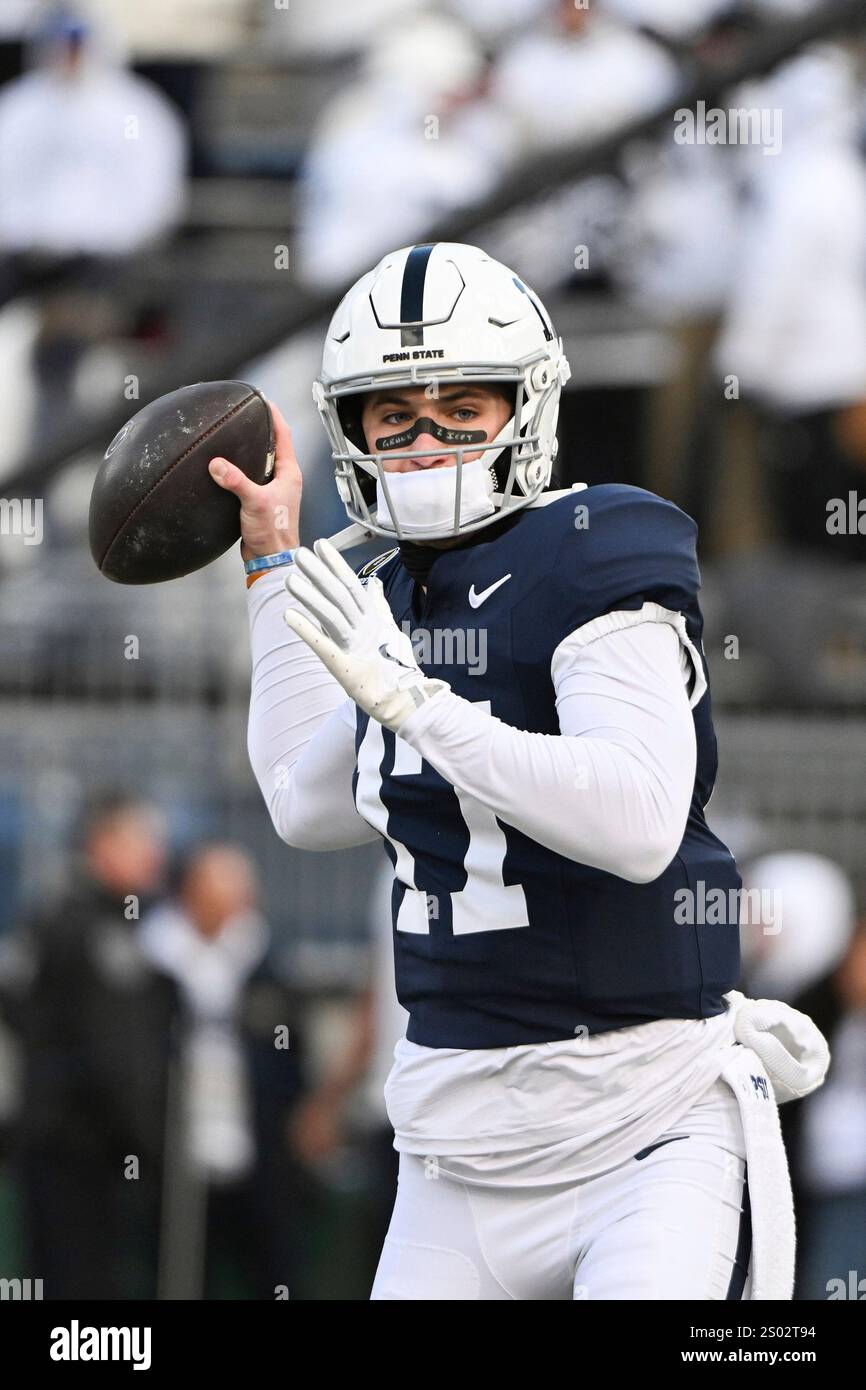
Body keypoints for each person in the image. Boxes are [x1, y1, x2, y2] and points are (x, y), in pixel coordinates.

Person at [209, 241, 827, 1300]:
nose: (424, 436)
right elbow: (304, 803)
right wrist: (271, 564)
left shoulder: (590, 547)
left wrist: (415, 704)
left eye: (460, 405)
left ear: (524, 405)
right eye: (391, 413)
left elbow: (635, 819)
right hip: (454, 1146)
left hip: (641, 1118)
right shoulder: (391, 598)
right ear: (348, 428)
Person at [12, 791, 175, 1300]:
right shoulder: (89, 929)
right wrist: (151, 1141)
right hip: (80, 1150)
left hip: (78, 1148)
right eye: (142, 841)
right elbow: (116, 1059)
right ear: (102, 845)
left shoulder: (105, 921)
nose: (156, 856)